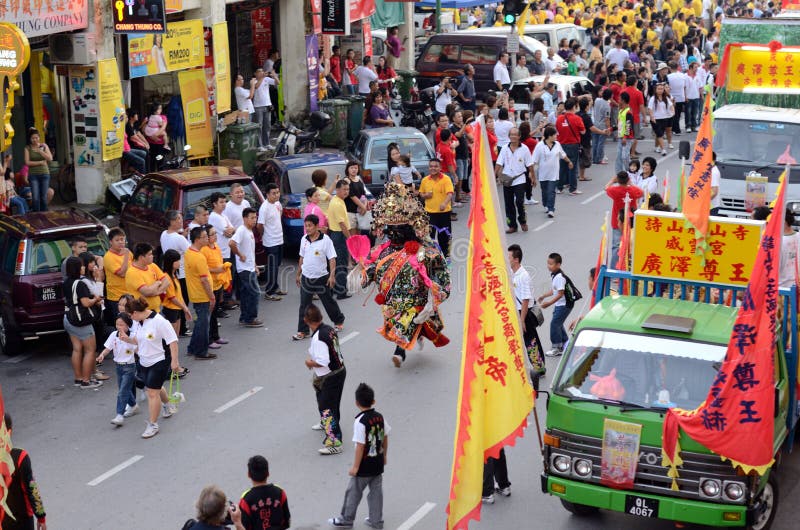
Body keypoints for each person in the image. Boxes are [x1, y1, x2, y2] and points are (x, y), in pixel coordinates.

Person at [362, 183, 451, 367]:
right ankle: (413, 338)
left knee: (407, 320)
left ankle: (399, 351)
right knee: (399, 321)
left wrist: (433, 292)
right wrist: (363, 273)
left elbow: (439, 273)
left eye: (397, 230)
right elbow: (371, 270)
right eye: (389, 230)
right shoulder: (383, 251)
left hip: (414, 298)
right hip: (392, 299)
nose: (393, 234)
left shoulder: (424, 251)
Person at [327, 383, 390, 529]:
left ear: (356, 403)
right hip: (378, 462)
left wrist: (355, 467)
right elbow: (385, 437)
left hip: (364, 465)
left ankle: (346, 520)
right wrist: (384, 455)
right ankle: (376, 521)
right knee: (376, 493)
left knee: (353, 492)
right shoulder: (380, 417)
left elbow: (360, 446)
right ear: (373, 401)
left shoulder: (360, 421)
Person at [125, 297, 179, 438]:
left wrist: (175, 362)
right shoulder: (138, 323)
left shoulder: (160, 322)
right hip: (144, 361)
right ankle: (167, 406)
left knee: (152, 393)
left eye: (131, 315)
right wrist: (127, 339)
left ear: (136, 312)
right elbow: (138, 340)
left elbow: (172, 342)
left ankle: (153, 424)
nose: (131, 319)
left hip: (159, 360)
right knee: (153, 387)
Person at [302, 303, 347, 455]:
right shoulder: (328, 329)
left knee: (327, 407)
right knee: (326, 401)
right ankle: (326, 423)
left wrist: (309, 363)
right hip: (337, 371)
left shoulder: (319, 338)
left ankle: (334, 441)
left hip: (330, 375)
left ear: (306, 320)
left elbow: (323, 361)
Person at [294, 214, 345, 341]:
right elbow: (301, 257)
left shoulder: (326, 240)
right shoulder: (304, 239)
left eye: (310, 226)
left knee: (328, 301)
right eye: (306, 226)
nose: (307, 228)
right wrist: (298, 274)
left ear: (317, 226)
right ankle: (303, 330)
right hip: (306, 277)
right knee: (304, 305)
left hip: (322, 277)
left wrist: (332, 276)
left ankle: (338, 321)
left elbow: (332, 258)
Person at [1, 413, 47, 530]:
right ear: (10, 431)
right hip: (23, 522)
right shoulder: (20, 457)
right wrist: (41, 518)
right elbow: (32, 490)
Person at [63, 256, 103, 389]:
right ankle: (86, 381)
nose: (84, 267)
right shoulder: (80, 283)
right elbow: (85, 303)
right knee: (90, 350)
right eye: (81, 266)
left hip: (69, 318)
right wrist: (95, 299)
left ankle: (78, 378)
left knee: (77, 349)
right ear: (76, 268)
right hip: (81, 320)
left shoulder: (67, 282)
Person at [508, 244, 545, 380]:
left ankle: (539, 368)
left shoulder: (523, 276)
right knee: (527, 339)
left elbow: (525, 299)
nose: (507, 259)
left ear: (516, 259)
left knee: (530, 340)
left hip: (524, 312)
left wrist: (521, 319)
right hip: (517, 311)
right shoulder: (512, 272)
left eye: (509, 257)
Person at [96, 312, 138, 426]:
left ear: (128, 325)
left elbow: (137, 350)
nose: (119, 327)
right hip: (118, 366)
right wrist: (102, 355)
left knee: (122, 391)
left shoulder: (133, 335)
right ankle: (134, 405)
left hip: (129, 366)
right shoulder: (114, 335)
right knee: (124, 389)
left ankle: (119, 415)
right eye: (117, 324)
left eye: (122, 324)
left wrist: (127, 340)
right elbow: (108, 348)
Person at [184, 226, 216, 360]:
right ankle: (201, 352)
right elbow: (204, 280)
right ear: (197, 239)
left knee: (200, 323)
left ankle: (192, 348)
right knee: (203, 324)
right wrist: (211, 296)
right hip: (202, 295)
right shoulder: (198, 257)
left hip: (195, 293)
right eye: (205, 237)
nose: (208, 238)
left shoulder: (189, 252)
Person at [496, 127, 534, 234]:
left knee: (519, 202)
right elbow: (499, 163)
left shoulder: (524, 149)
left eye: (515, 135)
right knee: (508, 204)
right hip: (507, 179)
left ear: (519, 136)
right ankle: (512, 225)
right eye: (511, 134)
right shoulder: (504, 148)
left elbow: (529, 164)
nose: (513, 136)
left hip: (520, 179)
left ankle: (522, 221)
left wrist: (533, 177)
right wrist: (494, 175)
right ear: (509, 136)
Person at [229, 207, 262, 328]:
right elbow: (231, 243)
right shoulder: (242, 230)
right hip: (245, 269)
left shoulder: (249, 231)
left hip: (250, 267)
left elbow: (249, 252)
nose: (254, 220)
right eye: (252, 218)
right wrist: (239, 255)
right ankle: (250, 318)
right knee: (255, 292)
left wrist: (255, 266)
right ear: (244, 218)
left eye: (255, 217)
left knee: (246, 294)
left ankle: (244, 317)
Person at [238, 456, 291, 530]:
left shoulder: (246, 499)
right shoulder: (280, 492)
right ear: (268, 473)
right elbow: (287, 522)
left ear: (249, 474)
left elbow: (244, 526)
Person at [160, 210, 191, 336]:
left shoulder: (163, 234)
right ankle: (182, 327)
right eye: (178, 218)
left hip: (170, 272)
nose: (181, 220)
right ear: (171, 222)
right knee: (182, 300)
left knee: (173, 299)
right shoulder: (179, 238)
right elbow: (190, 252)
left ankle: (179, 326)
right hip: (182, 273)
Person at [199, 227, 230, 349]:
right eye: (212, 234)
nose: (215, 236)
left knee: (215, 312)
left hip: (218, 283)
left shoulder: (216, 247)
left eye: (215, 233)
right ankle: (209, 339)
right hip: (209, 285)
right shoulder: (203, 250)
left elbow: (219, 263)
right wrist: (217, 270)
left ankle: (216, 336)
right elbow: (205, 268)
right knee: (209, 314)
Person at [532, 126, 572, 218]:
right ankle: (546, 204)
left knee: (551, 191)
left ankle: (551, 209)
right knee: (545, 191)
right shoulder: (539, 146)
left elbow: (563, 154)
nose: (556, 136)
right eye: (555, 134)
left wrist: (569, 161)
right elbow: (534, 160)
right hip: (543, 174)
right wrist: (531, 172)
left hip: (554, 174)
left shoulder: (557, 144)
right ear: (549, 136)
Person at [222, 183, 251, 308]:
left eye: (242, 191)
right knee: (232, 272)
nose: (240, 194)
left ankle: (240, 295)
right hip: (233, 244)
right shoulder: (227, 208)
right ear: (231, 195)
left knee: (244, 270)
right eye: (237, 192)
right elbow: (227, 229)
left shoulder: (246, 204)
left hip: (246, 243)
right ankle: (228, 298)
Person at [538, 253, 572, 357]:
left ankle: (556, 347)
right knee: (558, 323)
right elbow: (554, 290)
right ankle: (566, 344)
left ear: (558, 265)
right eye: (548, 263)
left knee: (554, 324)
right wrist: (544, 296)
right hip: (561, 304)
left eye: (551, 264)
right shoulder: (555, 275)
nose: (549, 266)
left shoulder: (559, 277)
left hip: (564, 305)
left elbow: (560, 293)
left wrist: (549, 303)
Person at [257, 183, 286, 301]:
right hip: (270, 242)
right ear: (267, 194)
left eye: (278, 192)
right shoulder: (264, 207)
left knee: (277, 264)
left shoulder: (277, 204)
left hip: (279, 239)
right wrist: (264, 235)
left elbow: (279, 214)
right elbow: (259, 225)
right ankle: (269, 292)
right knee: (272, 267)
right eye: (273, 193)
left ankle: (275, 286)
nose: (276, 195)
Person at [419, 159, 454, 258]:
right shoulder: (425, 180)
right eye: (431, 166)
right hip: (429, 214)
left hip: (444, 213)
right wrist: (426, 195)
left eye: (435, 166)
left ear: (440, 168)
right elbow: (421, 193)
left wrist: (444, 203)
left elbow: (450, 193)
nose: (433, 168)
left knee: (444, 237)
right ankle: (431, 257)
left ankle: (445, 257)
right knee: (429, 238)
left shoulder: (446, 179)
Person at [555, 98, 585, 195]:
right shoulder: (577, 118)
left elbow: (557, 131)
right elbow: (583, 131)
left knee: (562, 167)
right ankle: (572, 189)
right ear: (573, 107)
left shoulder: (559, 118)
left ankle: (559, 188)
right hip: (573, 145)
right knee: (572, 166)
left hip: (561, 145)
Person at [327, 179, 352, 298]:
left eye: (347, 189)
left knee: (338, 263)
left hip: (336, 234)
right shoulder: (337, 203)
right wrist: (350, 239)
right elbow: (342, 225)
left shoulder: (339, 200)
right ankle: (341, 291)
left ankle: (335, 289)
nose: (346, 192)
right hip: (339, 235)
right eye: (344, 189)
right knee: (341, 264)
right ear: (337, 190)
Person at [24, 128, 52, 212]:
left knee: (43, 197)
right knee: (35, 198)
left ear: (39, 137)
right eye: (33, 138)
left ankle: (44, 216)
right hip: (33, 175)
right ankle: (36, 217)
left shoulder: (44, 146)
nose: (35, 140)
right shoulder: (27, 148)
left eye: (36, 137)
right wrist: (40, 162)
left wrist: (40, 152)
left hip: (44, 174)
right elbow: (27, 162)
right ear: (30, 139)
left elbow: (50, 158)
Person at [253, 68, 278, 151]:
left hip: (267, 105)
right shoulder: (254, 81)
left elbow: (277, 83)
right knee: (259, 126)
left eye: (262, 71)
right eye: (259, 71)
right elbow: (256, 87)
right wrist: (262, 77)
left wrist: (274, 76)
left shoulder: (266, 79)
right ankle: (259, 145)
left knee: (267, 126)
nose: (262, 72)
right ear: (255, 73)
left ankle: (266, 144)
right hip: (258, 106)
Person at [648, 82, 675, 154]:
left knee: (660, 134)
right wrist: (652, 117)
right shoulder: (652, 98)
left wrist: (673, 112)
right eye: (659, 89)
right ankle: (663, 149)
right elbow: (650, 109)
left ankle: (656, 147)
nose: (660, 90)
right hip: (655, 119)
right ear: (655, 90)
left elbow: (671, 105)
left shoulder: (666, 98)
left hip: (664, 118)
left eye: (662, 89)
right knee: (660, 134)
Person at [591, 89, 613, 164]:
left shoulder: (597, 100)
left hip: (595, 124)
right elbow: (607, 119)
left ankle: (594, 158)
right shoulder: (607, 106)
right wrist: (609, 129)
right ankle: (599, 159)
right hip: (602, 126)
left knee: (595, 143)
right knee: (600, 144)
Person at [615, 91, 634, 173]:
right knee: (619, 156)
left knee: (624, 156)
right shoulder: (620, 111)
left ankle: (630, 171)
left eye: (619, 98)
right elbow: (620, 124)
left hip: (627, 138)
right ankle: (619, 173)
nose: (618, 100)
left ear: (623, 100)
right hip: (620, 136)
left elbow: (628, 125)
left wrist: (625, 137)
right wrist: (611, 129)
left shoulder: (628, 112)